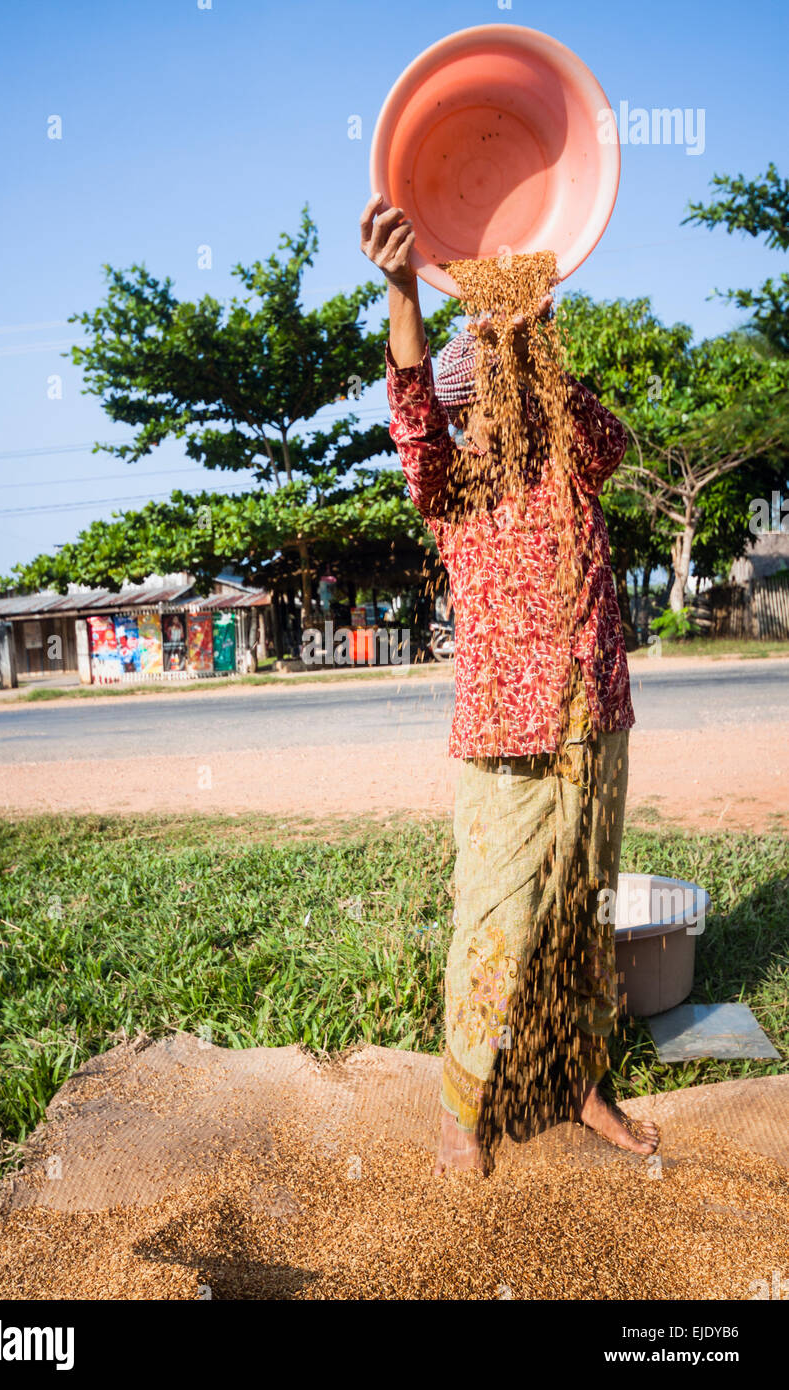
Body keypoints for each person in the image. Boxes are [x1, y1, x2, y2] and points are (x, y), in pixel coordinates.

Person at [359, 192, 660, 1173]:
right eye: (479, 392)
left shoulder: (571, 457)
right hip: (503, 735)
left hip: (594, 722)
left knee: (582, 914)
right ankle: (463, 1109)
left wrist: (530, 338)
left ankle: (578, 1087)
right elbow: (409, 415)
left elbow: (611, 441)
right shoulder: (447, 488)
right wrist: (406, 291)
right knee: (495, 924)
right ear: (457, 411)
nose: (498, 403)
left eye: (510, 384)